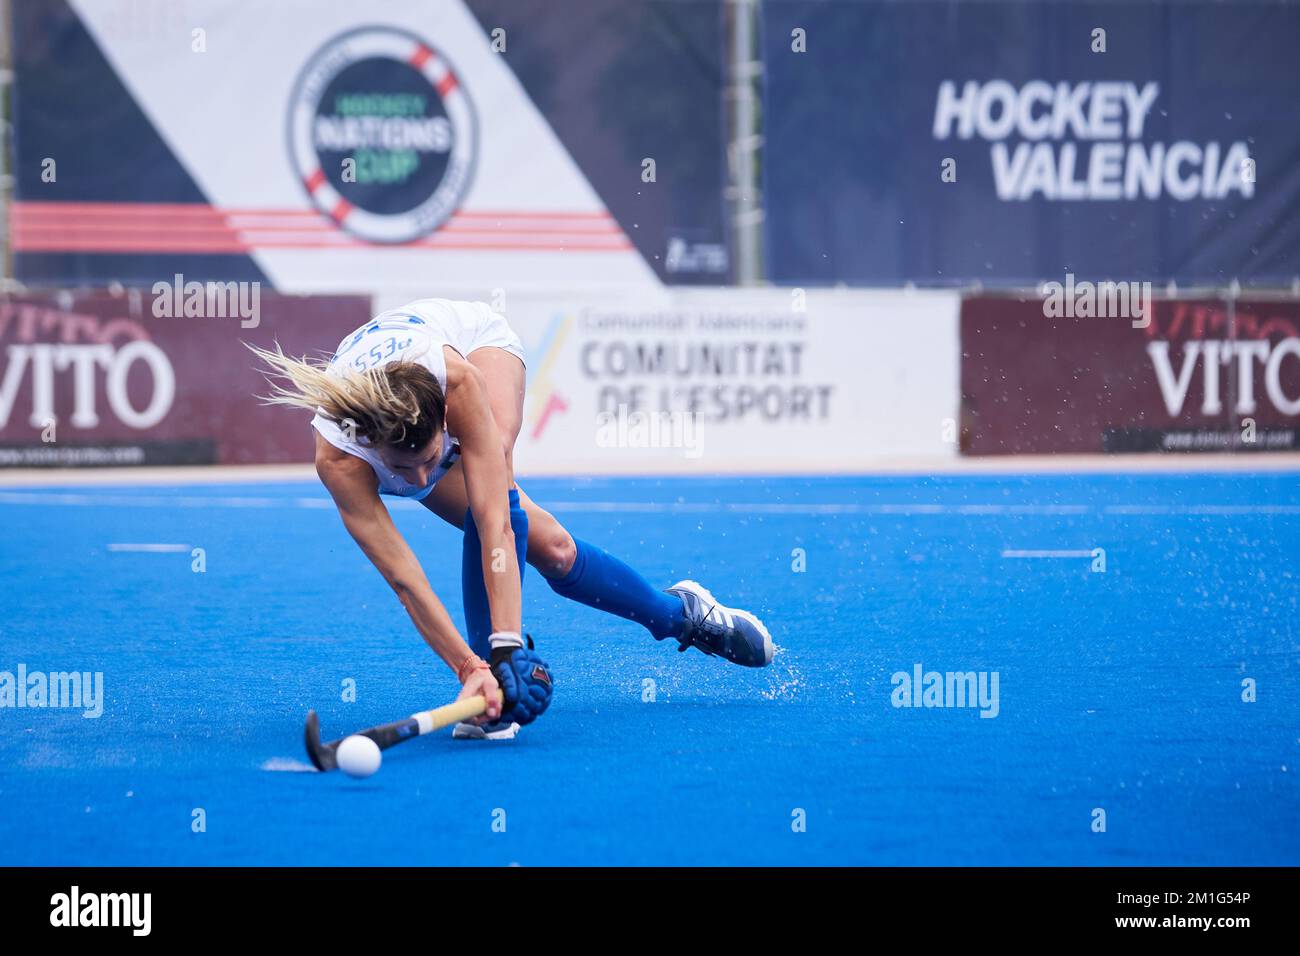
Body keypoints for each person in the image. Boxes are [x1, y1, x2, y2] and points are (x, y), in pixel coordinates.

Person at [252, 298, 772, 738]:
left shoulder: (458, 384)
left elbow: (497, 524)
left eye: (435, 460)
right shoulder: (340, 460)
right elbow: (405, 579)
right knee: (554, 548)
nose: (420, 480)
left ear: (446, 425)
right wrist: (469, 668)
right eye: (402, 471)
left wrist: (503, 650)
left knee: (501, 506)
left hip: (472, 340)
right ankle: (500, 676)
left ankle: (682, 617)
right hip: (394, 394)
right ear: (373, 450)